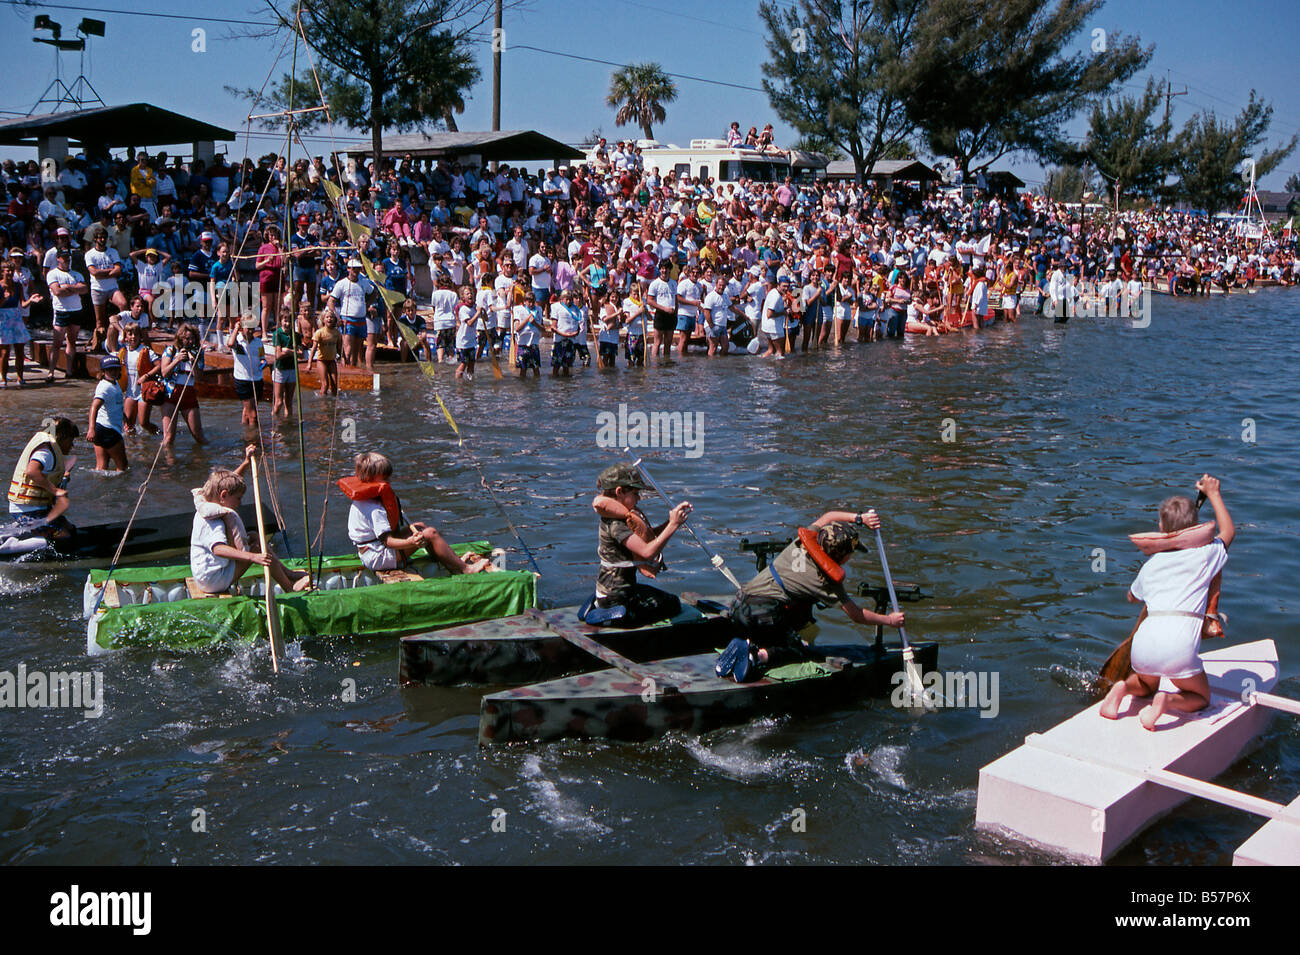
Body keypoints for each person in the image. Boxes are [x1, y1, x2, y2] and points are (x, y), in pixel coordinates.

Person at [1100, 475, 1234, 730]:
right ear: (1195, 527)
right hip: (1179, 647)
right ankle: (1167, 701)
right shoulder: (1206, 555)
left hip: (1145, 642)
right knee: (1201, 696)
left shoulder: (1151, 565)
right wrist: (1214, 493)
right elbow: (1228, 532)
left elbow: (1132, 596)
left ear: (1161, 529)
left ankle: (1121, 689)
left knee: (1146, 683)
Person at [715, 511, 905, 682]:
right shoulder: (826, 582)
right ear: (842, 557)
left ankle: (746, 639)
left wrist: (859, 518)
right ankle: (757, 655)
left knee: (786, 618)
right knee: (799, 650)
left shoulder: (801, 543)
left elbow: (828, 516)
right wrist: (889, 620)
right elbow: (856, 615)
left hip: (739, 605)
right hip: (761, 614)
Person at [340, 451, 492, 574]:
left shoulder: (366, 500)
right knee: (430, 533)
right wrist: (410, 542)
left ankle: (450, 561)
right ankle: (466, 569)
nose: (389, 482)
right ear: (370, 480)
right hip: (378, 557)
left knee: (420, 527)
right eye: (385, 479)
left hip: (371, 551)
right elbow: (387, 541)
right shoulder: (374, 508)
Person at [191, 445, 311, 595]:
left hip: (210, 574)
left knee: (254, 535)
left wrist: (246, 462)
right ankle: (289, 587)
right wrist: (253, 557)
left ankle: (288, 573)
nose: (240, 503)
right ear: (223, 496)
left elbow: (227, 483)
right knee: (258, 549)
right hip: (213, 580)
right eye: (238, 499)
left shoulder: (210, 499)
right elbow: (218, 549)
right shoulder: (213, 520)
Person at [582, 464, 691, 628]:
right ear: (619, 492)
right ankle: (611, 615)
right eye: (635, 493)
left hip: (620, 591)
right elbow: (647, 552)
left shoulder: (617, 518)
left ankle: (600, 605)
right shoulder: (616, 525)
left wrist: (670, 521)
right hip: (615, 597)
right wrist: (673, 526)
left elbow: (647, 538)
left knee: (664, 598)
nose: (638, 498)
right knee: (673, 604)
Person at [7, 417, 79, 537]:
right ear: (62, 437)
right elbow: (32, 471)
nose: (72, 445)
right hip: (26, 510)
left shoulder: (51, 449)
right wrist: (55, 490)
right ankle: (17, 542)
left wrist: (61, 477)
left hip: (39, 508)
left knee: (69, 528)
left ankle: (32, 532)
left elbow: (44, 475)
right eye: (71, 440)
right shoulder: (46, 452)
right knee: (63, 536)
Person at [159, 322, 208, 446]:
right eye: (187, 339)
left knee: (199, 436)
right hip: (171, 394)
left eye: (192, 338)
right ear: (180, 338)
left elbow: (199, 378)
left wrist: (193, 362)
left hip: (188, 394)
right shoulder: (171, 350)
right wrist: (177, 360)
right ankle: (168, 463)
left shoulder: (198, 353)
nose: (190, 341)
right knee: (169, 438)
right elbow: (164, 372)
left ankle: (203, 460)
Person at [45, 247, 86, 378]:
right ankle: (51, 371)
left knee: (71, 341)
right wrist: (75, 289)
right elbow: (57, 292)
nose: (67, 260)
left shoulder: (77, 274)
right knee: (57, 343)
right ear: (58, 258)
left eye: (68, 257)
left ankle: (69, 371)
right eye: (64, 257)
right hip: (61, 310)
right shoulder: (52, 274)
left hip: (76, 310)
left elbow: (84, 289)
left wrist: (68, 287)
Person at [87, 354, 128, 472]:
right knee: (123, 467)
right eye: (110, 370)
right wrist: (91, 428)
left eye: (116, 369)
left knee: (101, 468)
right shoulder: (105, 388)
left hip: (101, 429)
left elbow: (115, 404)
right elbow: (94, 407)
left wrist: (124, 417)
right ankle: (122, 489)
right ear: (104, 371)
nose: (114, 372)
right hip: (108, 429)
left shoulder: (114, 383)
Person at [119, 321, 159, 435]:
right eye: (130, 334)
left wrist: (146, 376)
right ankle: (133, 449)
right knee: (128, 426)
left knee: (143, 423)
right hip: (130, 392)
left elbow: (159, 365)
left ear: (140, 336)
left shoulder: (146, 351)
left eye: (136, 334)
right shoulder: (123, 352)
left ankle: (161, 434)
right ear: (125, 336)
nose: (133, 337)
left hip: (144, 391)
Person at [227, 315, 266, 429]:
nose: (250, 331)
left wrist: (263, 363)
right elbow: (230, 344)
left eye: (252, 328)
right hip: (243, 380)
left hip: (257, 379)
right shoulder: (238, 340)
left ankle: (244, 431)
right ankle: (253, 439)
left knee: (247, 411)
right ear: (242, 328)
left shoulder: (258, 342)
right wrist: (236, 328)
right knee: (253, 415)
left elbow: (262, 357)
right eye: (247, 328)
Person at [270, 309, 298, 417]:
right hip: (280, 369)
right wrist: (291, 352)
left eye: (290, 321)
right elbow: (278, 355)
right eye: (285, 321)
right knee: (279, 402)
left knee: (289, 402)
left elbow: (300, 354)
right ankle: (274, 421)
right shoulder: (277, 334)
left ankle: (288, 424)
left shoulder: (295, 335)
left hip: (292, 369)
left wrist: (287, 351)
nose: (287, 324)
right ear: (281, 321)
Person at [310, 311, 341, 395]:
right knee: (325, 384)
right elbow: (313, 349)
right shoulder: (319, 332)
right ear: (323, 320)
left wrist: (343, 358)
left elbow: (339, 348)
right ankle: (323, 404)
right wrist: (309, 363)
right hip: (322, 361)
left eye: (331, 317)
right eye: (327, 317)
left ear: (335, 320)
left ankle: (332, 404)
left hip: (332, 361)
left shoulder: (337, 333)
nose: (329, 319)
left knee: (335, 384)